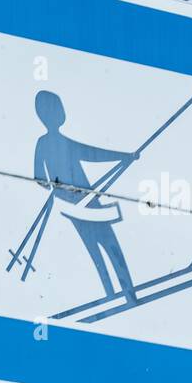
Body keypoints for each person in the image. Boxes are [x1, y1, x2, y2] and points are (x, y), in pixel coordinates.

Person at [33, 89, 139, 304]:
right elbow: (39, 177)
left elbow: (93, 153)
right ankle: (117, 293)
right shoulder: (44, 144)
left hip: (88, 201)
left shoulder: (65, 143)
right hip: (75, 205)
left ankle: (126, 293)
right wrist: (59, 188)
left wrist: (124, 157)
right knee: (104, 248)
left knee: (106, 247)